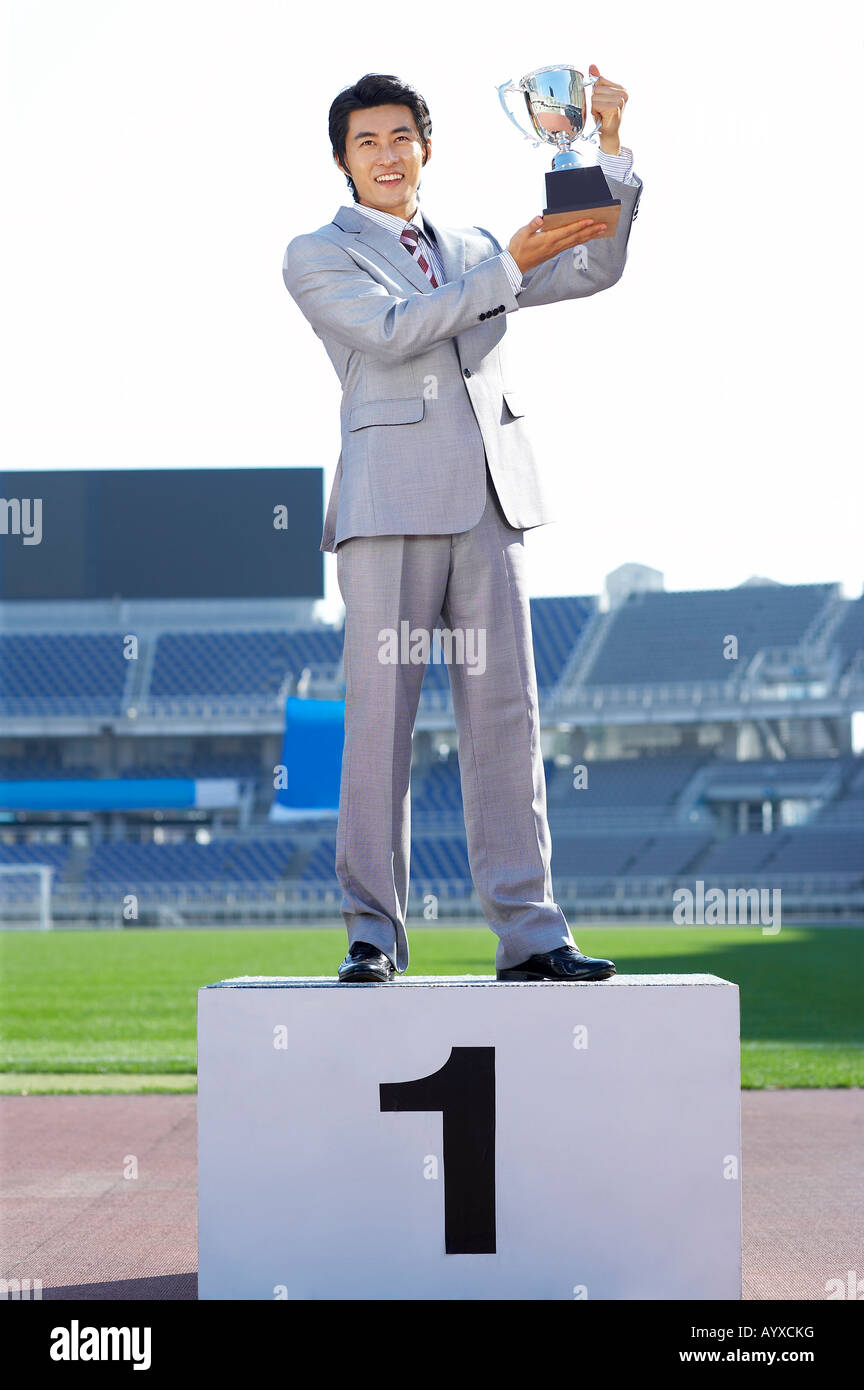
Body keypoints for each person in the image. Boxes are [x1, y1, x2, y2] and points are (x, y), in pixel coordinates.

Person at [282, 70, 642, 983]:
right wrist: (509, 269)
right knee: (380, 727)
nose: (387, 155)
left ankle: (532, 936)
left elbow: (594, 263)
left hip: (492, 502)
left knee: (506, 722)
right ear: (342, 162)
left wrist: (592, 148)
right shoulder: (317, 253)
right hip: (388, 510)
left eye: (401, 137)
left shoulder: (479, 243)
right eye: (367, 142)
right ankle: (372, 934)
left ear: (426, 148)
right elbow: (399, 330)